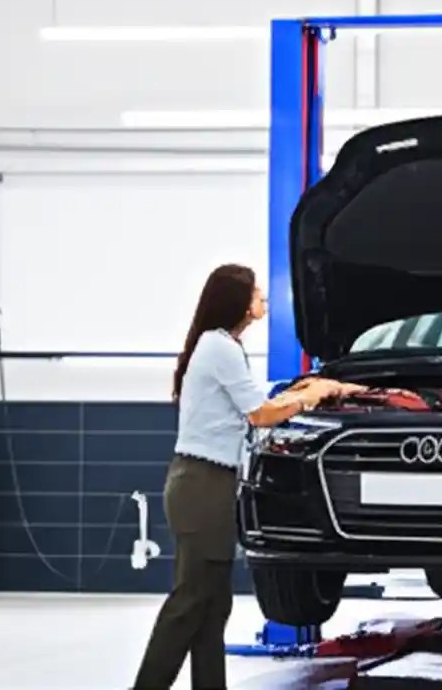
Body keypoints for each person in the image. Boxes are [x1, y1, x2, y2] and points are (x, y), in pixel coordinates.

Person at [133, 263, 363, 689]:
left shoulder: (220, 346)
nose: (263, 300)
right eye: (257, 294)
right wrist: (309, 399)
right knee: (189, 601)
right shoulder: (219, 347)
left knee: (213, 604)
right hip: (203, 485)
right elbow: (260, 414)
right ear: (238, 303)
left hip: (206, 485)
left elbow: (256, 401)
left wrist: (308, 390)